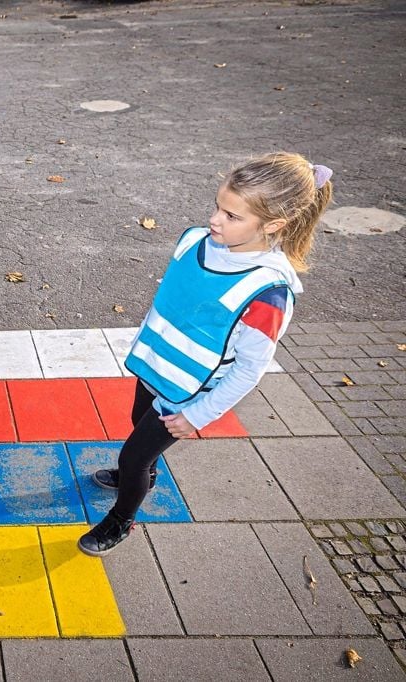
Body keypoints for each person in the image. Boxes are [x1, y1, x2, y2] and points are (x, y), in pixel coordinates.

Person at [78, 152, 333, 556]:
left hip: (191, 390)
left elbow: (251, 369)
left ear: (274, 225)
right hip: (160, 368)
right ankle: (145, 472)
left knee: (133, 455)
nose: (216, 219)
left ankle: (121, 519)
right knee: (135, 425)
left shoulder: (268, 292)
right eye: (219, 206)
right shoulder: (197, 240)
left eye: (232, 217)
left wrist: (199, 415)